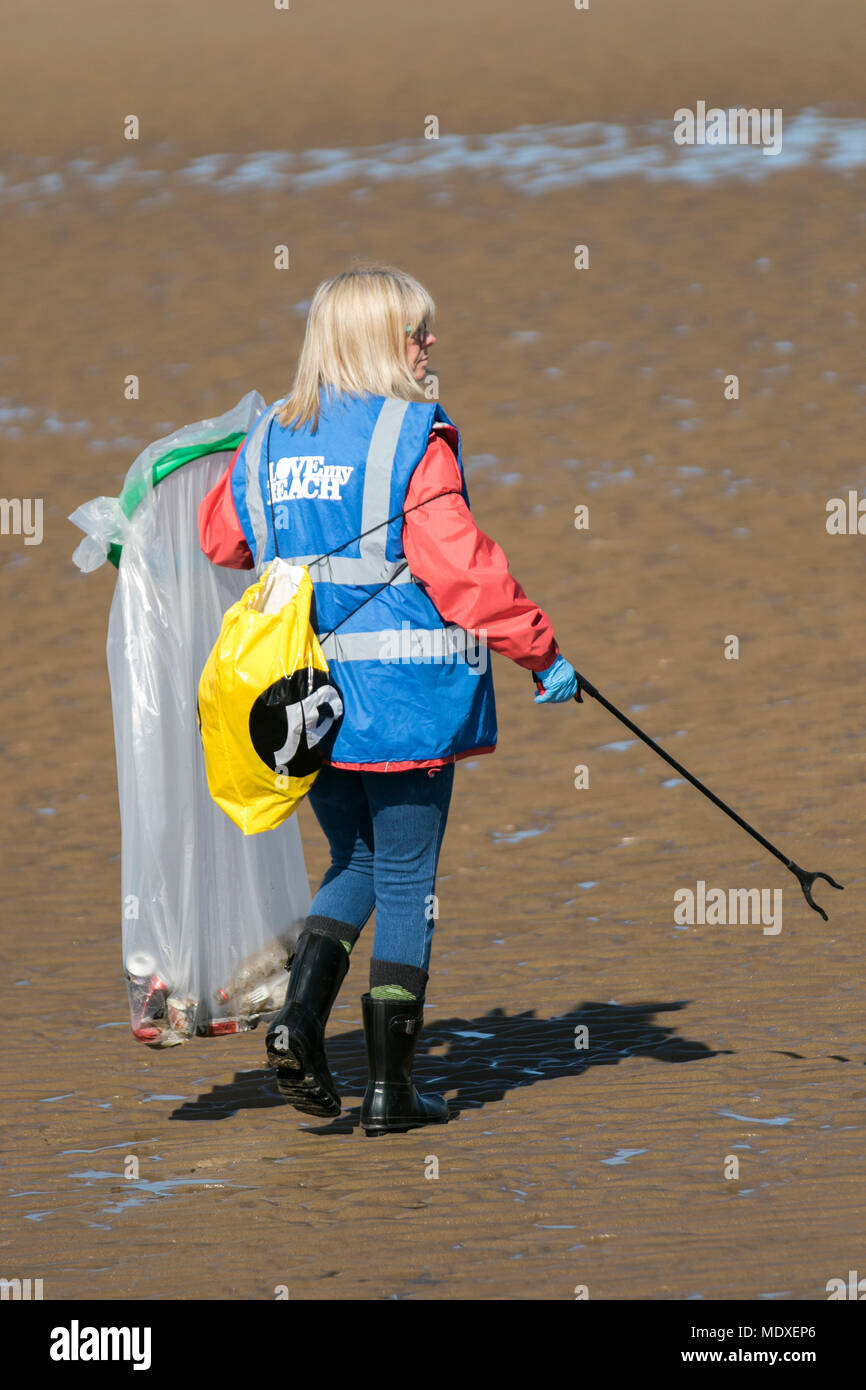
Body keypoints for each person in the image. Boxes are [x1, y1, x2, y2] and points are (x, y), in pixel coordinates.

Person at [198, 265, 579, 1135]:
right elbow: (463, 571)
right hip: (403, 697)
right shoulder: (413, 435)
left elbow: (222, 537)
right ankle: (390, 1090)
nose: (429, 342)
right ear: (375, 340)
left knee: (355, 861)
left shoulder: (267, 438)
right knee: (406, 878)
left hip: (305, 702)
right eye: (415, 330)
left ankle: (297, 1023)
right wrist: (542, 651)